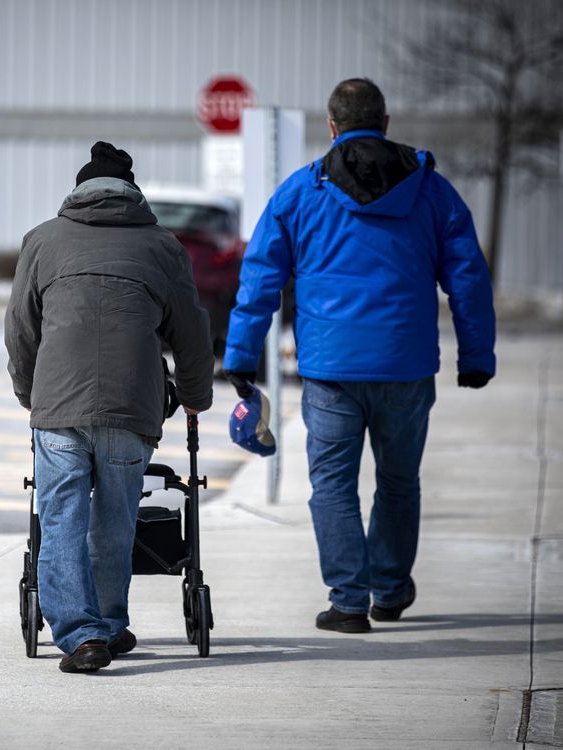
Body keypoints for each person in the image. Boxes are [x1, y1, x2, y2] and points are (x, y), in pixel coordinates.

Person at [223, 79, 496, 633]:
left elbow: (259, 281)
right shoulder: (432, 191)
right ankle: (390, 590)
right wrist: (476, 355)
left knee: (332, 485)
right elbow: (467, 277)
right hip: (406, 364)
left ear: (331, 126)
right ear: (386, 122)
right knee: (399, 482)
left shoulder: (301, 192)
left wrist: (241, 357)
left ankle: (348, 601)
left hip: (331, 370)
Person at [5, 141, 214, 672]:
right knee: (116, 519)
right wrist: (194, 397)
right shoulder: (163, 247)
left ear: (78, 192)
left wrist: (31, 393)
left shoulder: (41, 241)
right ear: (134, 194)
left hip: (59, 405)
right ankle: (108, 624)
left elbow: (21, 330)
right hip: (131, 404)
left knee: (61, 518)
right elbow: (191, 334)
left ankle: (80, 634)